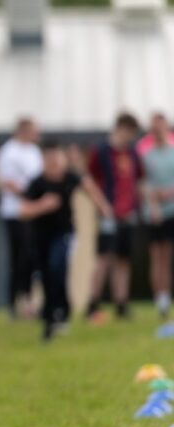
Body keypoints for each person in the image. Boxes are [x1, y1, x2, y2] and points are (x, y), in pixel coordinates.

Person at [20, 140, 112, 341]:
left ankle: (62, 310)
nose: (54, 163)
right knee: (45, 274)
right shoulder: (37, 183)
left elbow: (89, 188)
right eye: (49, 159)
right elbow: (23, 211)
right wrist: (42, 205)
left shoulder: (69, 178)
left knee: (58, 267)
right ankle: (50, 313)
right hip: (41, 237)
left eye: (57, 158)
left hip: (65, 233)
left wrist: (103, 207)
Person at [85, 113, 144, 321]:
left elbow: (138, 181)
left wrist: (137, 206)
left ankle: (121, 303)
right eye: (129, 133)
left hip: (128, 214)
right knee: (104, 257)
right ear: (120, 128)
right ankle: (93, 303)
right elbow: (88, 181)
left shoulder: (132, 152)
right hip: (108, 213)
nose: (130, 138)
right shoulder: (101, 151)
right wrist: (102, 205)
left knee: (123, 259)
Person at [0, 118, 42, 319]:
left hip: (34, 211)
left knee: (32, 259)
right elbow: (8, 182)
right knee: (18, 259)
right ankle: (13, 303)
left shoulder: (34, 152)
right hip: (14, 212)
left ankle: (29, 302)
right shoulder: (8, 152)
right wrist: (29, 196)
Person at [141, 113, 174, 319]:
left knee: (167, 256)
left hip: (171, 211)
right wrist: (153, 204)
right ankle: (159, 299)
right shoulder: (146, 156)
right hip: (153, 214)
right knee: (156, 256)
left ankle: (165, 297)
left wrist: (168, 193)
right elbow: (143, 184)